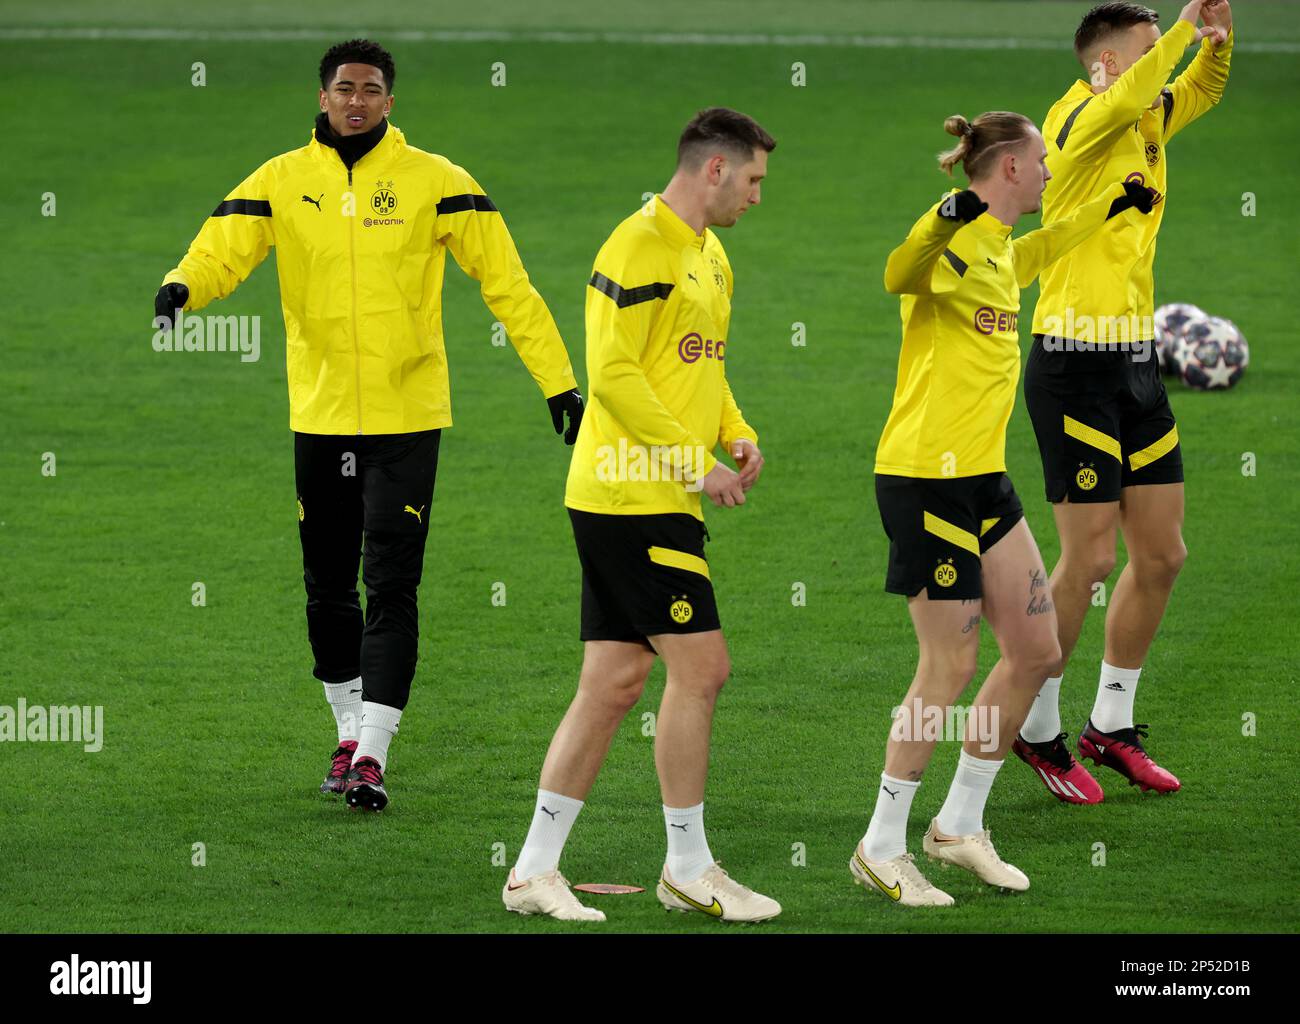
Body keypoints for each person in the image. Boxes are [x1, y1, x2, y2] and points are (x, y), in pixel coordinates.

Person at [153, 38, 583, 813]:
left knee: (390, 582)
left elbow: (509, 285)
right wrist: (182, 287)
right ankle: (348, 730)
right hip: (319, 417)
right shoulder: (282, 181)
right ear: (322, 98)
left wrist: (557, 381)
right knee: (326, 588)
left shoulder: (438, 183)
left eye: (372, 89)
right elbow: (225, 248)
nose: (357, 100)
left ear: (391, 102)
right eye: (344, 88)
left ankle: (373, 754)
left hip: (408, 417)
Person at [852, 112, 1154, 907]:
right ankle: (881, 845)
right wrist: (943, 213)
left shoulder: (997, 250)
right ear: (1011, 167)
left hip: (982, 480)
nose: (1052, 173)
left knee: (1037, 648)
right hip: (925, 480)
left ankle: (958, 825)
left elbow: (1041, 250)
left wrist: (1113, 207)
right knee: (947, 665)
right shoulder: (953, 239)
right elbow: (897, 272)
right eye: (1044, 163)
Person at [502, 108, 779, 923]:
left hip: (656, 495)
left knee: (615, 683)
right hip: (629, 497)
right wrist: (695, 463)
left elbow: (699, 361)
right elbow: (614, 375)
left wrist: (735, 431)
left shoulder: (710, 253)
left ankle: (531, 872)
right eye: (754, 180)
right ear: (715, 169)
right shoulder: (635, 246)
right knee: (703, 669)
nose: (758, 198)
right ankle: (688, 865)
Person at [1016, 0, 1232, 802]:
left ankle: (1109, 727)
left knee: (1163, 554)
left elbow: (1200, 89)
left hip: (1137, 363)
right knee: (1092, 557)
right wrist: (1176, 33)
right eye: (1148, 54)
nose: (1163, 67)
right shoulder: (1074, 122)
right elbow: (1127, 96)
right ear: (1105, 63)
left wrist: (1215, 38)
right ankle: (1037, 730)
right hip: (1072, 363)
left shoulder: (1142, 121)